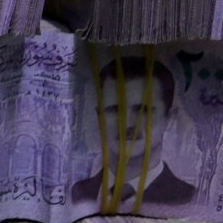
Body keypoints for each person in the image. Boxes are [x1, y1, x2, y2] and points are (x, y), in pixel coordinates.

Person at [70, 55, 198, 207]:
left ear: (169, 120)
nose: (128, 124)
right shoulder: (77, 193)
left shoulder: (191, 199)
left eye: (143, 110)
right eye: (115, 110)